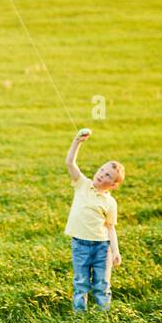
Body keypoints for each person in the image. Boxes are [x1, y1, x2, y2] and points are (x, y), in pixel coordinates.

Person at [63, 128, 124, 311]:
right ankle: (79, 317)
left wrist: (115, 251)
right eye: (102, 169)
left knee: (102, 285)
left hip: (101, 248)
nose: (102, 174)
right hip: (80, 245)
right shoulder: (82, 184)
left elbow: (110, 228)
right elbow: (69, 163)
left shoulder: (110, 203)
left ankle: (103, 317)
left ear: (113, 185)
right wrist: (77, 142)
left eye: (108, 175)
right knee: (81, 283)